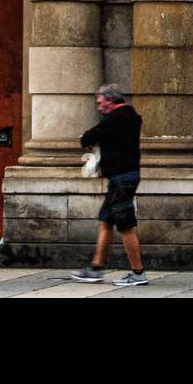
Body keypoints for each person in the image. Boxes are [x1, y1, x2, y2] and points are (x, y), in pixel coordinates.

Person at [71, 84, 147, 287]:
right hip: (122, 178)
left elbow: (87, 137)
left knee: (125, 226)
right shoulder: (129, 116)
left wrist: (90, 141)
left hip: (122, 178)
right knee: (106, 221)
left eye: (100, 102)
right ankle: (96, 268)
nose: (99, 107)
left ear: (110, 100)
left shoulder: (115, 118)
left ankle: (138, 273)